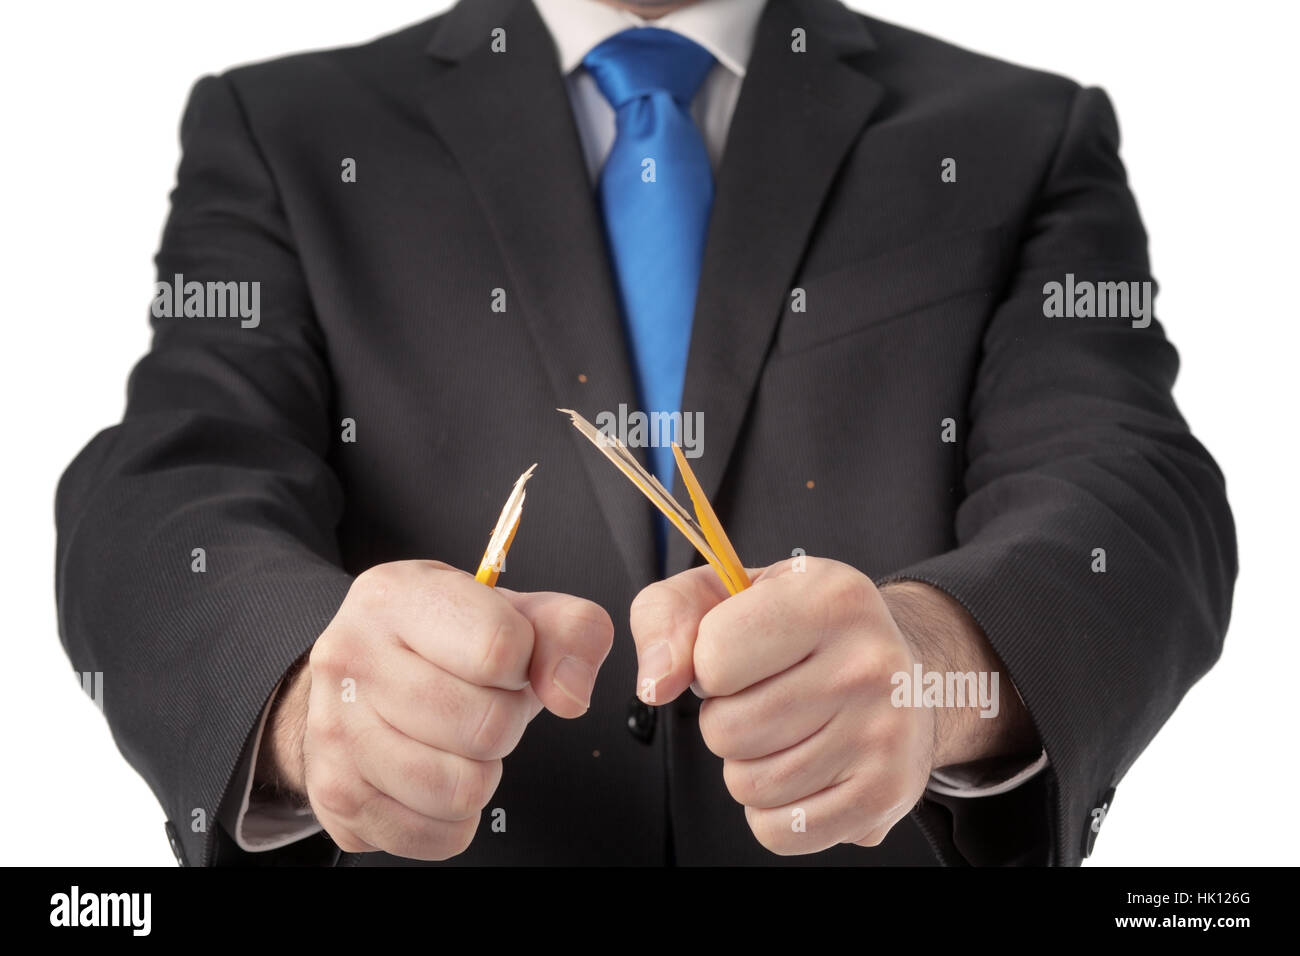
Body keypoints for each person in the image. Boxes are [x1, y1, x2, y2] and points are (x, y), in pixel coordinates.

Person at [55, 0, 1236, 867]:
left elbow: (1132, 489)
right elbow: (166, 488)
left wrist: (935, 664)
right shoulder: (282, 128)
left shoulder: (1020, 133)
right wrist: (310, 696)